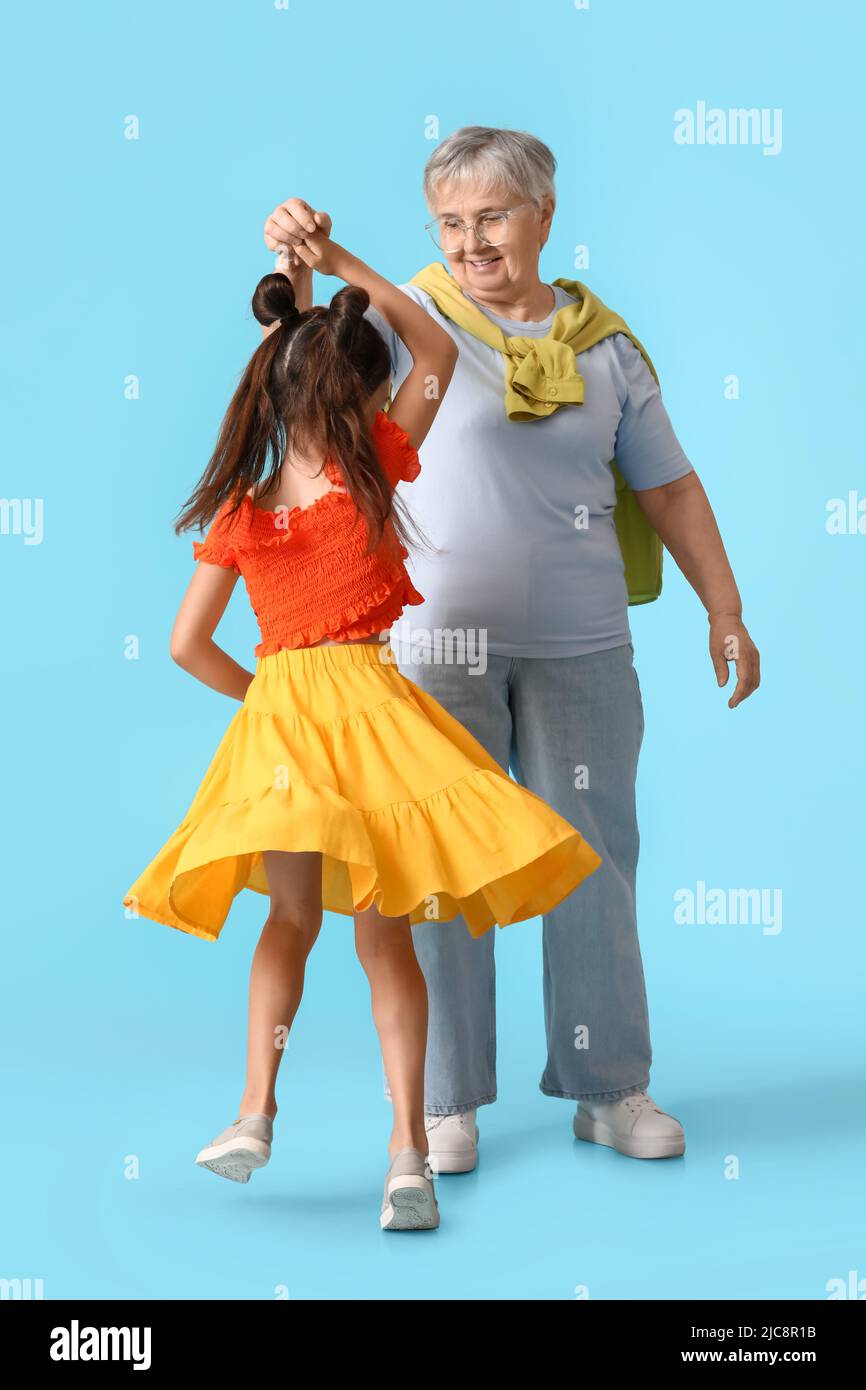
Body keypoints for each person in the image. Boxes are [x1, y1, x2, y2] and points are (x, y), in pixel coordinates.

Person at [264, 125, 761, 1174]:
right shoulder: (408, 323)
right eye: (450, 222)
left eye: (491, 216)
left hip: (581, 643)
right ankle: (445, 1101)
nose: (470, 240)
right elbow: (307, 370)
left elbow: (667, 484)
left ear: (541, 215)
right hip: (435, 645)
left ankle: (608, 1087)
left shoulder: (606, 347)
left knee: (591, 860)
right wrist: (297, 265)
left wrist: (723, 609)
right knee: (436, 870)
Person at [121, 233, 603, 1231]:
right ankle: (408, 1158)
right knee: (387, 946)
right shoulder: (376, 463)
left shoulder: (246, 513)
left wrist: (267, 696)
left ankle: (255, 1111)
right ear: (356, 400)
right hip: (376, 717)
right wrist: (336, 262)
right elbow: (432, 349)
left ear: (275, 393)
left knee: (287, 923)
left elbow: (184, 645)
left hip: (286, 726)